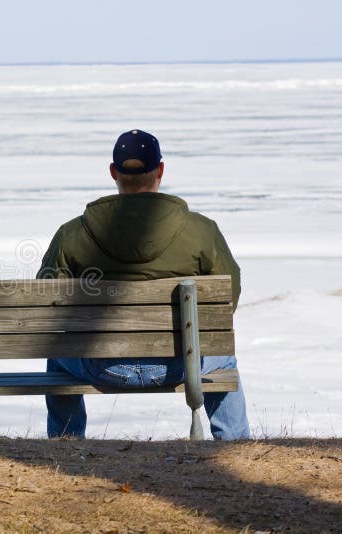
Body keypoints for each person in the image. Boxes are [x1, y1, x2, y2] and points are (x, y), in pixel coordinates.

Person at [38, 129, 250, 440]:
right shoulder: (202, 231)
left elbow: (47, 300)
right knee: (223, 356)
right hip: (181, 364)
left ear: (114, 172)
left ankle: (65, 444)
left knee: (60, 353)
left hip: (102, 366)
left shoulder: (72, 234)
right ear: (160, 170)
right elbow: (227, 298)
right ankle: (234, 443)